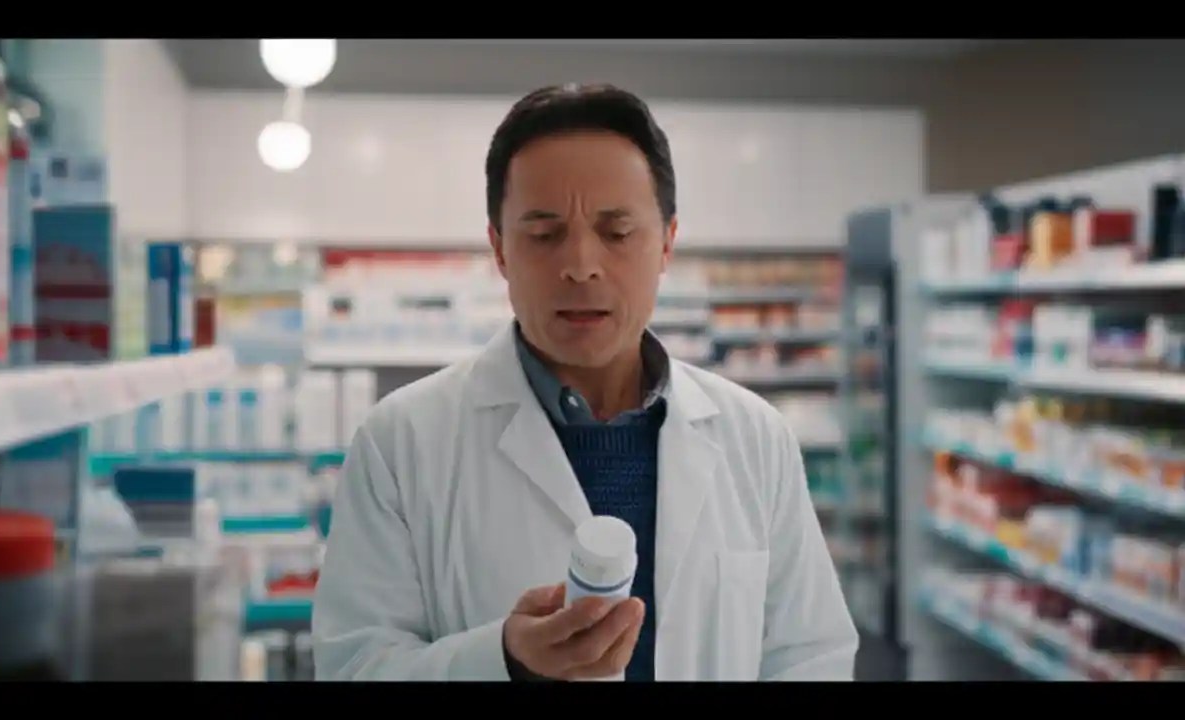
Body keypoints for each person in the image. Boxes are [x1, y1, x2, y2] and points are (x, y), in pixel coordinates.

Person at [311, 82, 859, 681]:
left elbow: (811, 655)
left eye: (616, 233)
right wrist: (503, 661)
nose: (580, 266)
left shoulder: (756, 438)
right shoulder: (400, 442)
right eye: (544, 235)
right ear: (500, 249)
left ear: (667, 242)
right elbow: (354, 666)